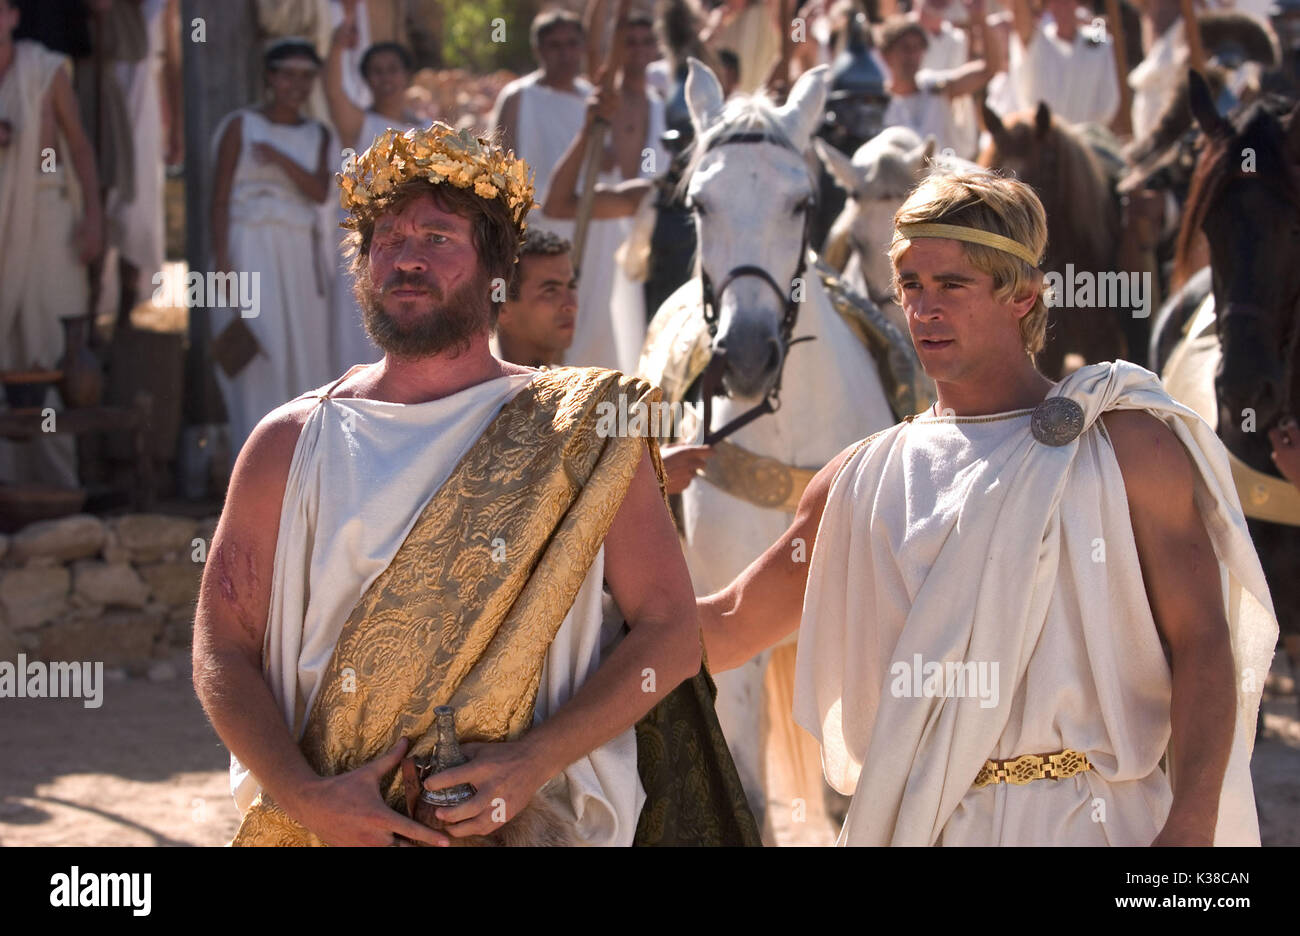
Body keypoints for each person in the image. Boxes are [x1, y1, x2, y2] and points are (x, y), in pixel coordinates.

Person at [193, 122, 755, 847]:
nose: (406, 258)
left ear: (497, 274)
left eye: (437, 238)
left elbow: (672, 633)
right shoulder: (290, 443)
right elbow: (222, 647)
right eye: (387, 240)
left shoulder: (581, 428)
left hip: (536, 822)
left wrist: (533, 759)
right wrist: (307, 797)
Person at [698, 170, 1277, 845]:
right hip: (926, 825)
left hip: (1101, 822)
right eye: (911, 285)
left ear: (1023, 296)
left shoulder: (1126, 445)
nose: (924, 309)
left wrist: (1192, 822)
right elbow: (728, 625)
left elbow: (1202, 642)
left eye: (952, 285)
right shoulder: (859, 482)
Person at [494, 223, 713, 496]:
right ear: (502, 307)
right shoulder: (486, 399)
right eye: (550, 290)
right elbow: (520, 506)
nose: (570, 303)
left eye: (571, 286)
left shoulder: (584, 395)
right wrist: (647, 479)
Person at [209, 39, 334, 454]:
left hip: (298, 250)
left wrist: (280, 159)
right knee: (258, 353)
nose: (296, 85)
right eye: (287, 75)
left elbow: (319, 191)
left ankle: (301, 462)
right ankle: (252, 461)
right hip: (249, 245)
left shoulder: (317, 132)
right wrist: (223, 266)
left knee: (302, 350)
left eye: (306, 76)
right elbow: (220, 199)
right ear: (270, 77)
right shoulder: (240, 125)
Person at [0, 0, 104, 487]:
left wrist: (93, 219)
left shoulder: (43, 69)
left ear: (14, 17)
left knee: (51, 344)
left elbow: (79, 144)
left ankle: (58, 486)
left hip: (45, 213)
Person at [324, 0, 417, 372]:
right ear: (366, 79)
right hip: (365, 250)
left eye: (393, 70)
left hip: (414, 250)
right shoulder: (359, 124)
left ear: (407, 76)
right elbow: (332, 91)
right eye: (376, 71)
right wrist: (336, 43)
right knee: (357, 337)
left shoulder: (427, 129)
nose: (386, 78)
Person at [879, 4, 992, 160]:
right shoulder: (877, 103)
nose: (912, 56)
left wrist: (981, 20)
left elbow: (989, 69)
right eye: (905, 48)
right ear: (886, 54)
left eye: (917, 48)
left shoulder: (937, 87)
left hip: (947, 181)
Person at [1002, 0, 1120, 127]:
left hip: (1091, 138)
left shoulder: (1098, 38)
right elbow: (1021, 16)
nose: (1062, 5)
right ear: (1048, 6)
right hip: (1046, 139)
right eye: (1056, 1)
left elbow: (1103, 28)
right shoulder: (1038, 42)